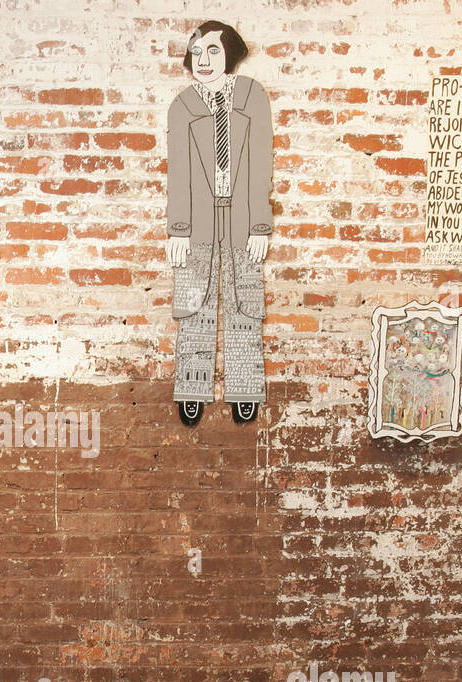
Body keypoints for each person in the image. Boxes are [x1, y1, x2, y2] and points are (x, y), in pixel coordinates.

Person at [166, 20, 273, 427]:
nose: (205, 61)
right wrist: (178, 228)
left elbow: (262, 162)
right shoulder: (183, 105)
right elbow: (178, 171)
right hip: (198, 219)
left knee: (245, 302)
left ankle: (245, 389)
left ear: (229, 53)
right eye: (197, 52)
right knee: (195, 302)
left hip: (243, 215)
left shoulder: (252, 96)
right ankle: (192, 389)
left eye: (213, 50)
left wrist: (260, 226)